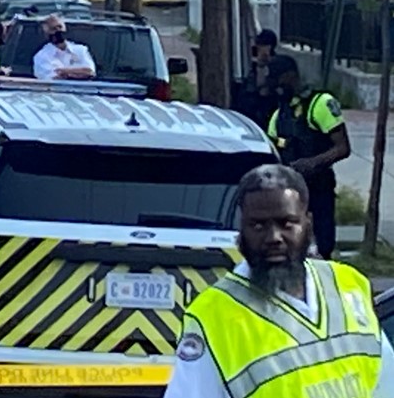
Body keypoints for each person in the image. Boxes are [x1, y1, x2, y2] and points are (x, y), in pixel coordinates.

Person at [164, 164, 394, 398]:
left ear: (308, 224)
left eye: (286, 223)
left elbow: (385, 384)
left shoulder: (349, 284)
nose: (273, 237)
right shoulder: (212, 316)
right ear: (241, 231)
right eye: (258, 225)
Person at [265, 54, 351, 260]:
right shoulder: (279, 116)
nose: (275, 85)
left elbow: (343, 148)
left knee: (323, 248)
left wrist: (312, 163)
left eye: (279, 79)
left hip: (318, 188)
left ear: (291, 76)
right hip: (290, 195)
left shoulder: (320, 104)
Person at [235, 29, 279, 130]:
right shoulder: (253, 62)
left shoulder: (275, 65)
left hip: (265, 111)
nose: (258, 47)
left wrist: (262, 65)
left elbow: (264, 91)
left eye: (262, 45)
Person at [32, 14, 97, 80]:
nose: (58, 30)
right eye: (53, 29)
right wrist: (79, 72)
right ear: (46, 34)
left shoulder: (81, 50)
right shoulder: (41, 56)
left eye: (60, 27)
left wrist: (64, 71)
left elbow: (90, 72)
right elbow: (53, 79)